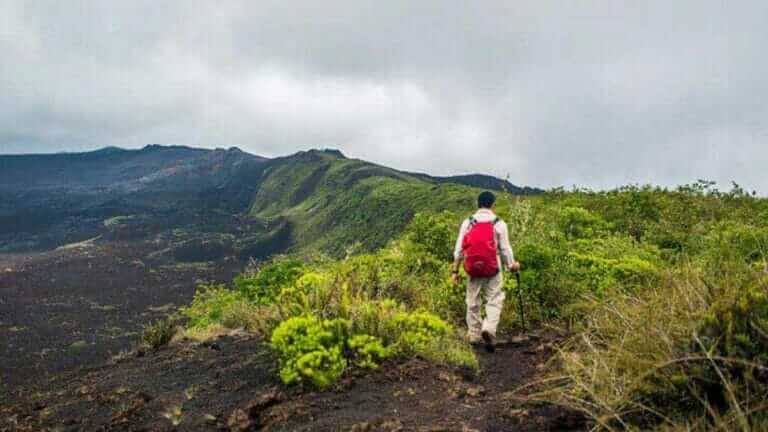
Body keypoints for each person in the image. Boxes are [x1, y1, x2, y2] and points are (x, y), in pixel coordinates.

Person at [452, 191, 520, 352]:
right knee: (494, 298)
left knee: (472, 301)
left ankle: (474, 336)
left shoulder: (468, 222)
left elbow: (459, 249)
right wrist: (512, 265)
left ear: (478, 203)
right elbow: (505, 249)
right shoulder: (499, 223)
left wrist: (455, 271)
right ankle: (488, 328)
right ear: (493, 205)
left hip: (472, 266)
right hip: (493, 265)